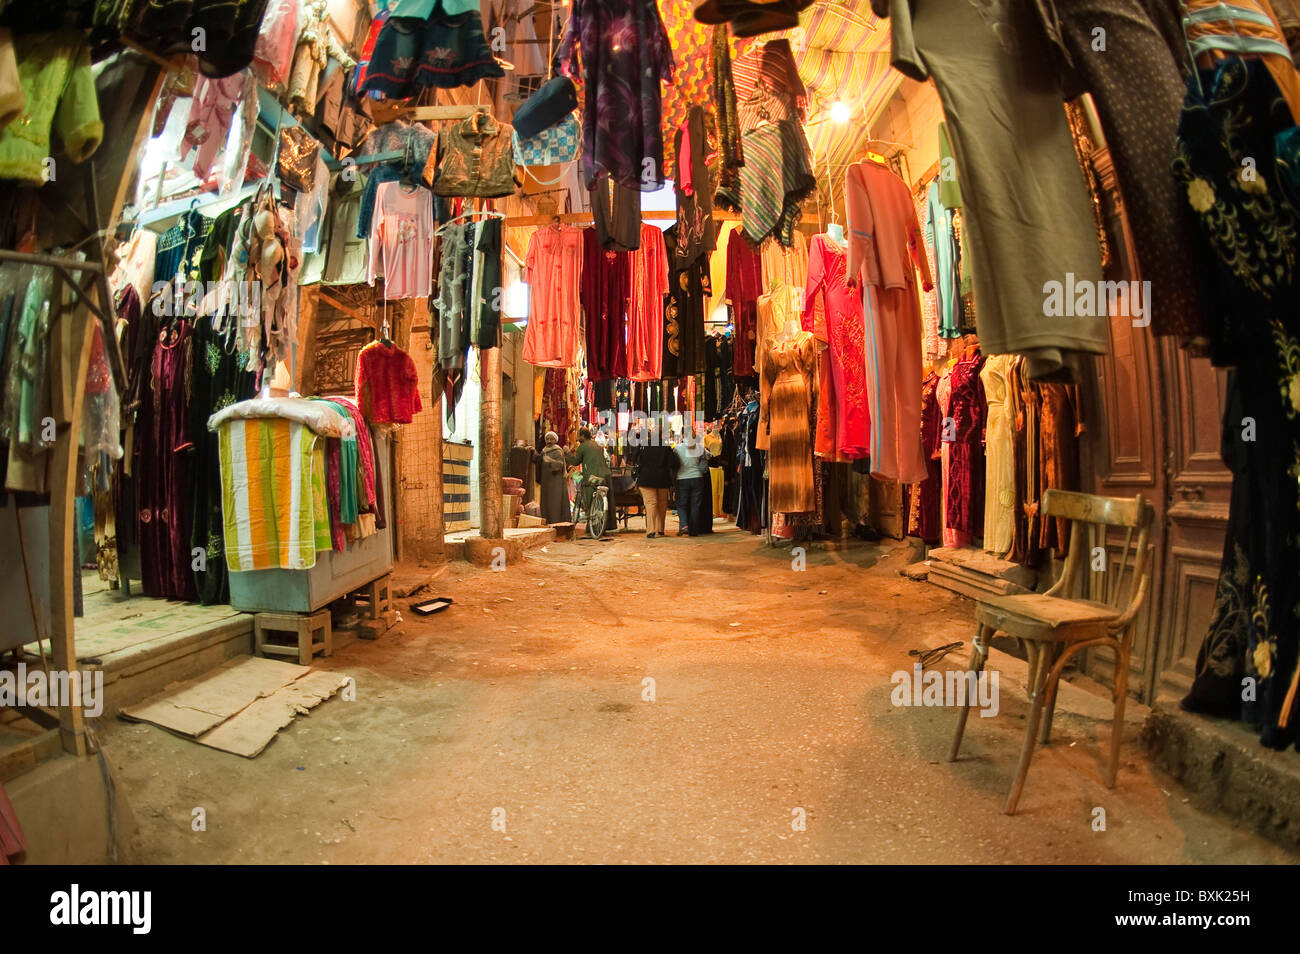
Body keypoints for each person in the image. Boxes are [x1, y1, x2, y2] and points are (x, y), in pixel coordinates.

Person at [627, 422, 676, 538]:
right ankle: (660, 529)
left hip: (646, 478)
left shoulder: (643, 444)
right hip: (662, 479)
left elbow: (633, 459)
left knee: (650, 504)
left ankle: (651, 530)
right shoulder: (665, 446)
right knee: (662, 504)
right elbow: (673, 463)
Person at [565, 425, 611, 522]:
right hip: (604, 474)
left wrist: (567, 453)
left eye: (578, 435)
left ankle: (591, 526)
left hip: (591, 476)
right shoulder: (596, 445)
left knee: (589, 501)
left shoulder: (582, 446)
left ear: (582, 436)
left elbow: (575, 461)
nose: (577, 438)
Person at [674, 425, 712, 536]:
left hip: (682, 478)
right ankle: (694, 530)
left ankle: (684, 525)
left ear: (682, 434)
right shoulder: (699, 447)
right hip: (697, 478)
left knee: (681, 504)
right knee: (695, 505)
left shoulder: (678, 448)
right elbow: (709, 456)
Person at [538, 431, 569, 524]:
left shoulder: (558, 451)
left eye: (551, 439)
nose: (549, 441)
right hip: (546, 482)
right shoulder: (544, 451)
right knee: (546, 504)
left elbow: (559, 466)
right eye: (547, 439)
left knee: (555, 503)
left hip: (556, 483)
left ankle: (557, 523)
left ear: (555, 440)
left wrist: (550, 461)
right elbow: (539, 461)